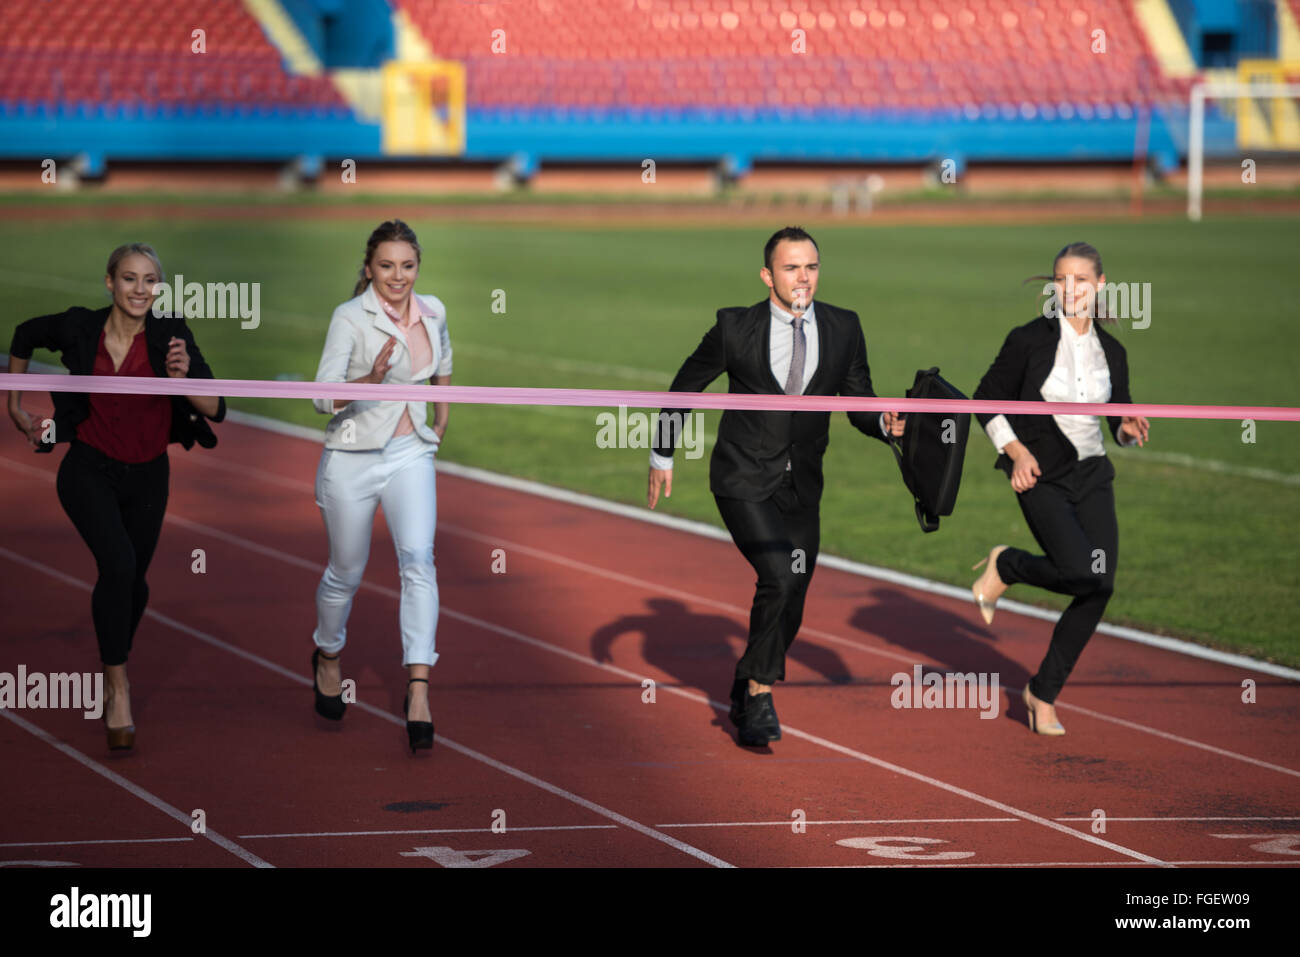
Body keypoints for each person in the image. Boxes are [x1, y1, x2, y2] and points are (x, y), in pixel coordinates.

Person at [647, 226, 904, 747]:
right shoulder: (732, 328)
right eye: (791, 268)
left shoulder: (844, 326)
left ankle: (745, 681)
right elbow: (685, 388)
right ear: (768, 275)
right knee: (780, 577)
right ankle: (761, 694)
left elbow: (858, 399)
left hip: (803, 485)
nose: (802, 277)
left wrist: (884, 423)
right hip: (742, 478)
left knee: (795, 591)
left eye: (810, 266)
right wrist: (662, 453)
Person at [6, 243, 226, 752]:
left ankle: (113, 654)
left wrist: (182, 377)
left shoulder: (171, 334)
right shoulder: (80, 327)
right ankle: (117, 684)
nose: (140, 290)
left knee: (136, 587)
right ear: (110, 282)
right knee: (120, 567)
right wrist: (15, 406)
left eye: (150, 281)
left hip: (149, 476)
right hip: (87, 469)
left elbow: (216, 407)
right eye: (130, 279)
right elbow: (23, 335)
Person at [970, 241, 1150, 735]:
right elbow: (985, 401)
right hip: (1040, 474)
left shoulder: (1113, 350)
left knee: (1099, 584)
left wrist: (1128, 431)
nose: (1069, 289)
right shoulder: (1027, 339)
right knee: (1077, 571)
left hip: (1092, 475)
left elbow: (1118, 417)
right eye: (1061, 280)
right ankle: (1008, 564)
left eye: (1080, 281)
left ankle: (1042, 693)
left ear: (1100, 286)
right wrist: (1016, 453)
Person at [310, 219, 451, 754]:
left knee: (418, 559)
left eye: (408, 266)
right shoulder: (349, 317)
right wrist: (368, 380)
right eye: (387, 266)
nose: (398, 276)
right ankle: (327, 652)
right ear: (369, 268)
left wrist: (440, 419)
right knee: (346, 570)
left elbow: (445, 366)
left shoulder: (434, 310)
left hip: (410, 451)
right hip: (352, 455)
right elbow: (322, 397)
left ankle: (418, 691)